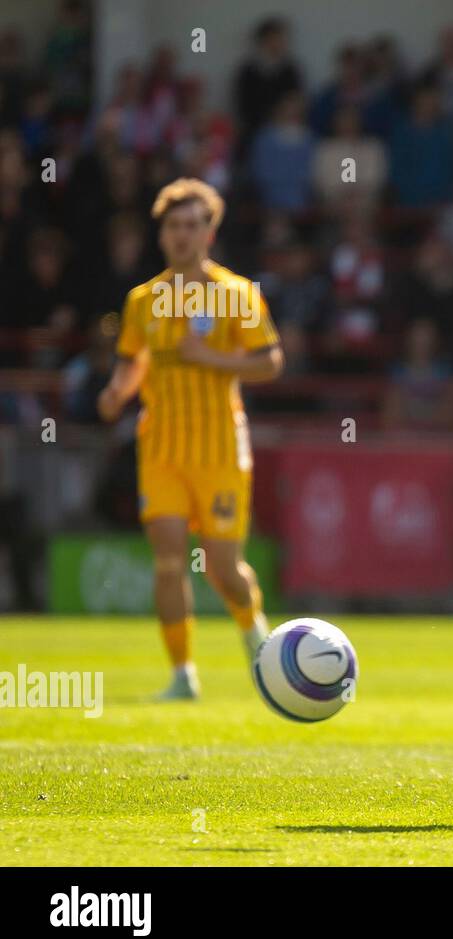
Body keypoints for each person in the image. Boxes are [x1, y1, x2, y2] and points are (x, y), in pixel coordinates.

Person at [97, 178, 284, 700]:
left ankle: (256, 640)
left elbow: (271, 361)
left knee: (224, 568)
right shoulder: (142, 301)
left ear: (210, 231)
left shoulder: (239, 294)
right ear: (162, 234)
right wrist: (116, 393)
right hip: (161, 449)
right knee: (170, 559)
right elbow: (132, 363)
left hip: (220, 447)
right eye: (172, 226)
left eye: (191, 225)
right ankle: (183, 675)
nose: (181, 235)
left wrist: (213, 359)